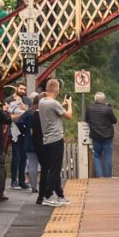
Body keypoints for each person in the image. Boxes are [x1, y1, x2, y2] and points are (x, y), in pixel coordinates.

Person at [37, 78, 73, 207]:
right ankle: (47, 196)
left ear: (47, 89)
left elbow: (53, 111)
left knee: (52, 168)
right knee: (55, 170)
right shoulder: (53, 103)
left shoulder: (42, 101)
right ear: (57, 90)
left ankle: (60, 196)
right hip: (56, 139)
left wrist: (61, 105)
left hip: (46, 139)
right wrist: (69, 104)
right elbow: (69, 116)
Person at [85, 91, 117, 177]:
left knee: (97, 156)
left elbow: (87, 119)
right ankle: (107, 177)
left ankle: (100, 177)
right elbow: (114, 121)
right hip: (107, 137)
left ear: (95, 99)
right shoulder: (108, 109)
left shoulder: (89, 108)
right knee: (107, 156)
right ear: (104, 100)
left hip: (96, 136)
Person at [17, 93, 42, 194]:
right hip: (42, 142)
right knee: (44, 164)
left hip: (29, 141)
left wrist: (25, 131)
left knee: (32, 164)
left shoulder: (28, 113)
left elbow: (19, 122)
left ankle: (33, 186)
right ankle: (43, 186)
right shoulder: (43, 113)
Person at [8, 87, 29, 189]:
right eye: (21, 89)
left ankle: (22, 180)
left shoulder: (27, 100)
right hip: (14, 130)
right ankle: (13, 180)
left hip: (24, 130)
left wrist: (25, 110)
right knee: (16, 156)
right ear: (16, 89)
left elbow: (29, 113)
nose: (23, 91)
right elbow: (8, 115)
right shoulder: (8, 100)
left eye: (25, 89)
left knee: (24, 156)